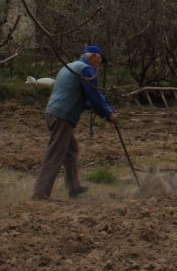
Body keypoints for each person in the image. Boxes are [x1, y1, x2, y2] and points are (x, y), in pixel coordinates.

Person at [31, 45, 118, 200]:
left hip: (53, 113)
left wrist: (98, 108)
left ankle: (74, 187)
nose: (99, 64)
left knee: (71, 150)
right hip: (63, 116)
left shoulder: (69, 67)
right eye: (99, 60)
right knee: (55, 154)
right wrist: (108, 114)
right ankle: (40, 194)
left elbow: (77, 95)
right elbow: (94, 96)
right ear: (93, 57)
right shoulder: (86, 70)